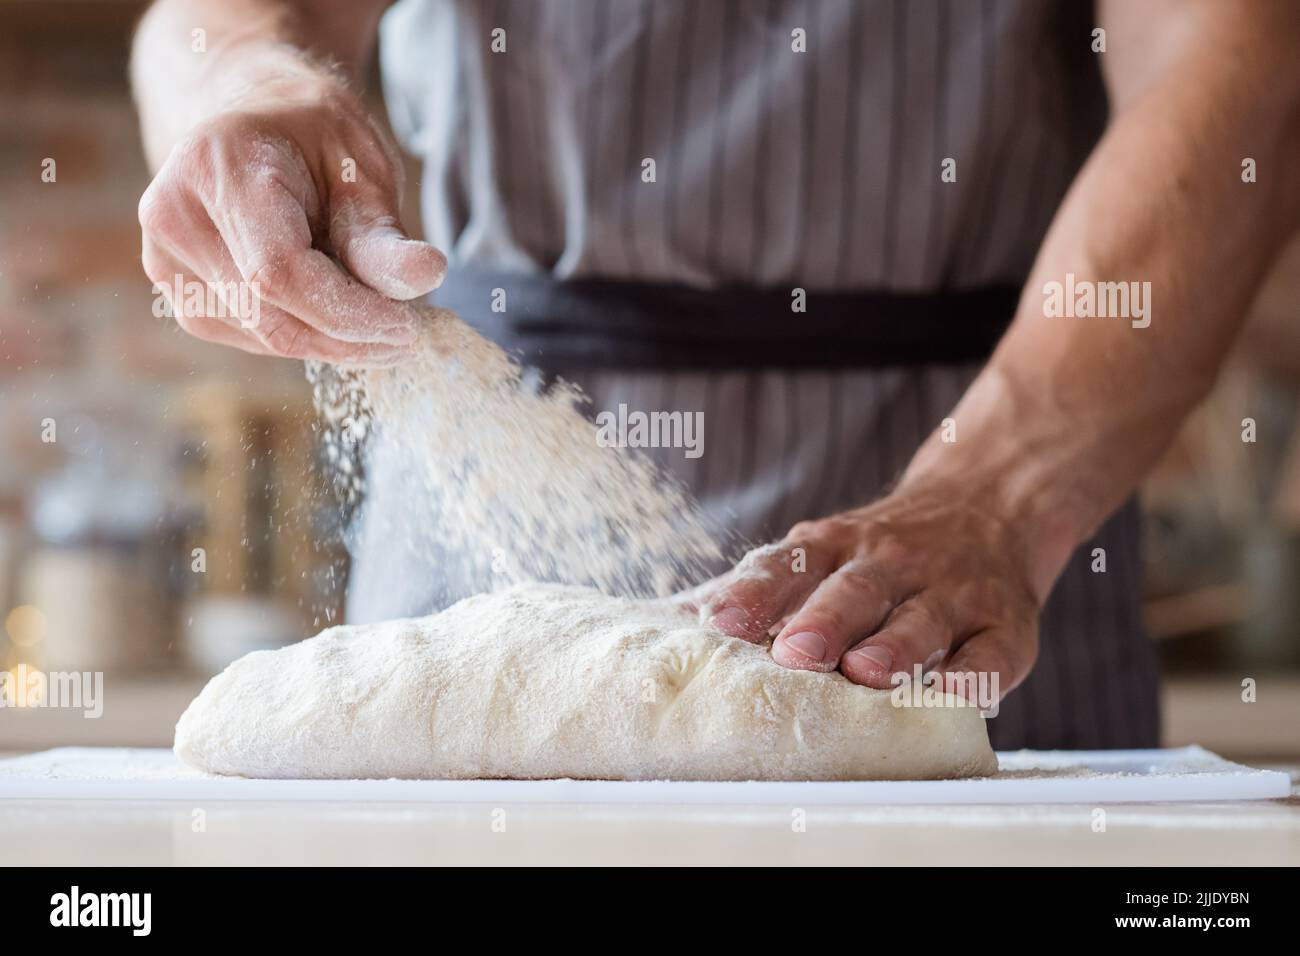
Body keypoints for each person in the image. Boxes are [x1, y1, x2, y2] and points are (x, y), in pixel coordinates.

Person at [130, 0, 1300, 749]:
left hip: (983, 559)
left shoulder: (986, 534)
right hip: (486, 504)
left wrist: (991, 497)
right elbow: (212, 20)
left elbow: (1238, 53)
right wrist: (245, 92)